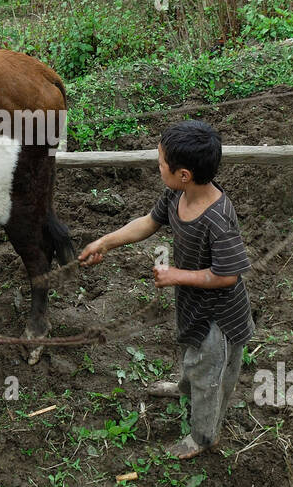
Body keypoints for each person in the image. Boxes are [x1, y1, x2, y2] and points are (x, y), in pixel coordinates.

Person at [79, 121, 253, 458]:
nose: (157, 165)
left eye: (160, 162)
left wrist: (176, 276)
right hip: (194, 304)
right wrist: (106, 241)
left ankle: (204, 436)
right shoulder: (178, 194)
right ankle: (184, 387)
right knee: (195, 355)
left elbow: (227, 276)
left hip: (220, 317)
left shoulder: (219, 219)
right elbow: (148, 222)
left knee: (211, 375)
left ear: (184, 173)